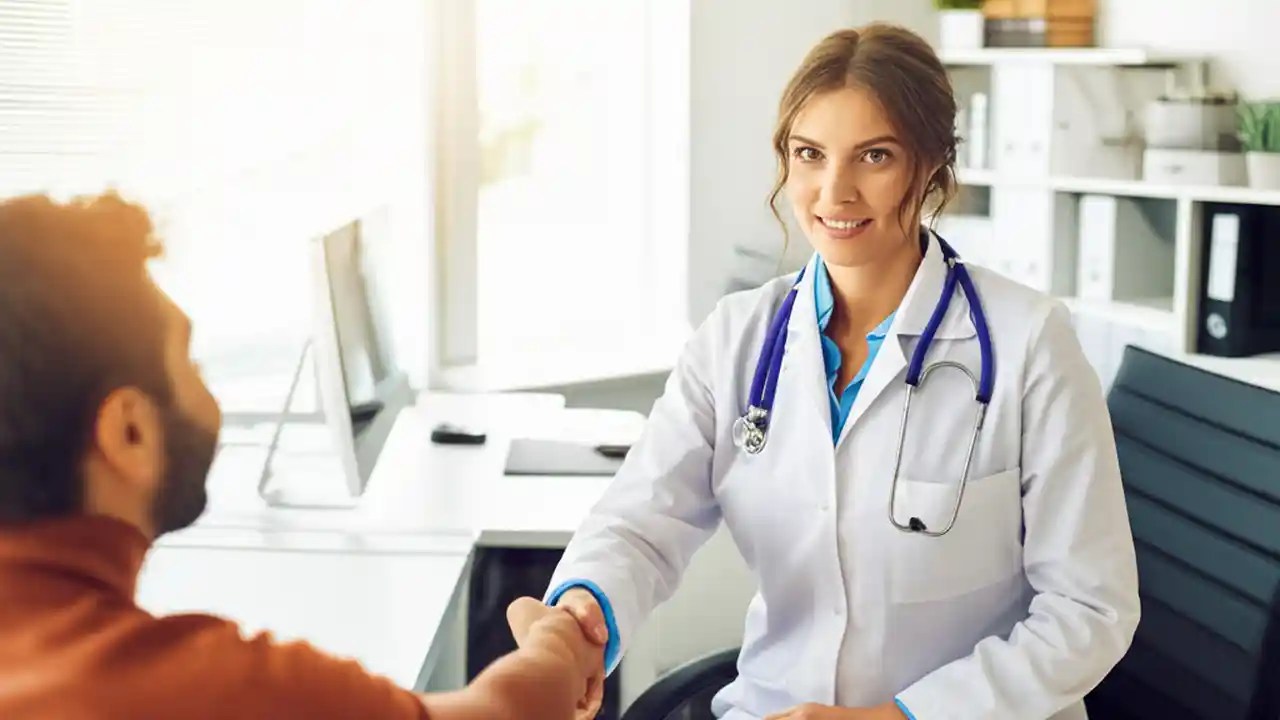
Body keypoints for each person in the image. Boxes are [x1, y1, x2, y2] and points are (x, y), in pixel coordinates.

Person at [510, 23, 1140, 720]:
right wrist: (575, 621)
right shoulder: (736, 340)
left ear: (931, 165)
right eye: (809, 154)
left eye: (873, 156)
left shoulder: (1028, 343)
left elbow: (1091, 607)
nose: (833, 191)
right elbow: (639, 522)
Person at [0, 192, 602, 720]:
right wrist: (555, 648)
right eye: (190, 363)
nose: (208, 394)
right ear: (129, 432)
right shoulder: (205, 690)